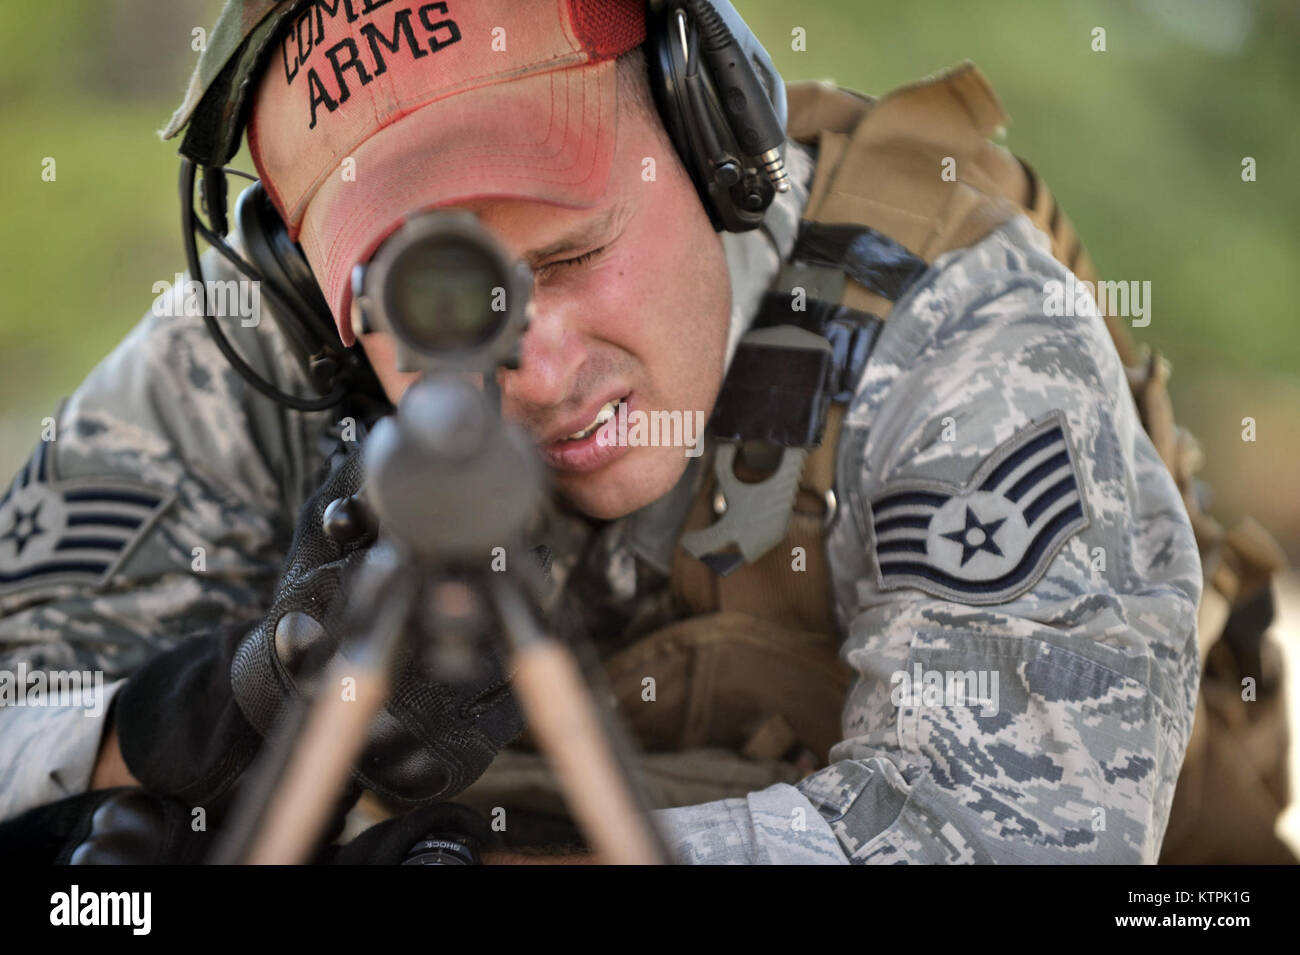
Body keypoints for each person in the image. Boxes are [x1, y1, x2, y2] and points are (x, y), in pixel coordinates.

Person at [0, 0, 1212, 864]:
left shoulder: (951, 317)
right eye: (428, 304)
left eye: (571, 253)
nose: (538, 365)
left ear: (709, 138)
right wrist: (193, 714)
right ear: (308, 303)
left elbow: (1019, 836)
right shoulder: (255, 352)